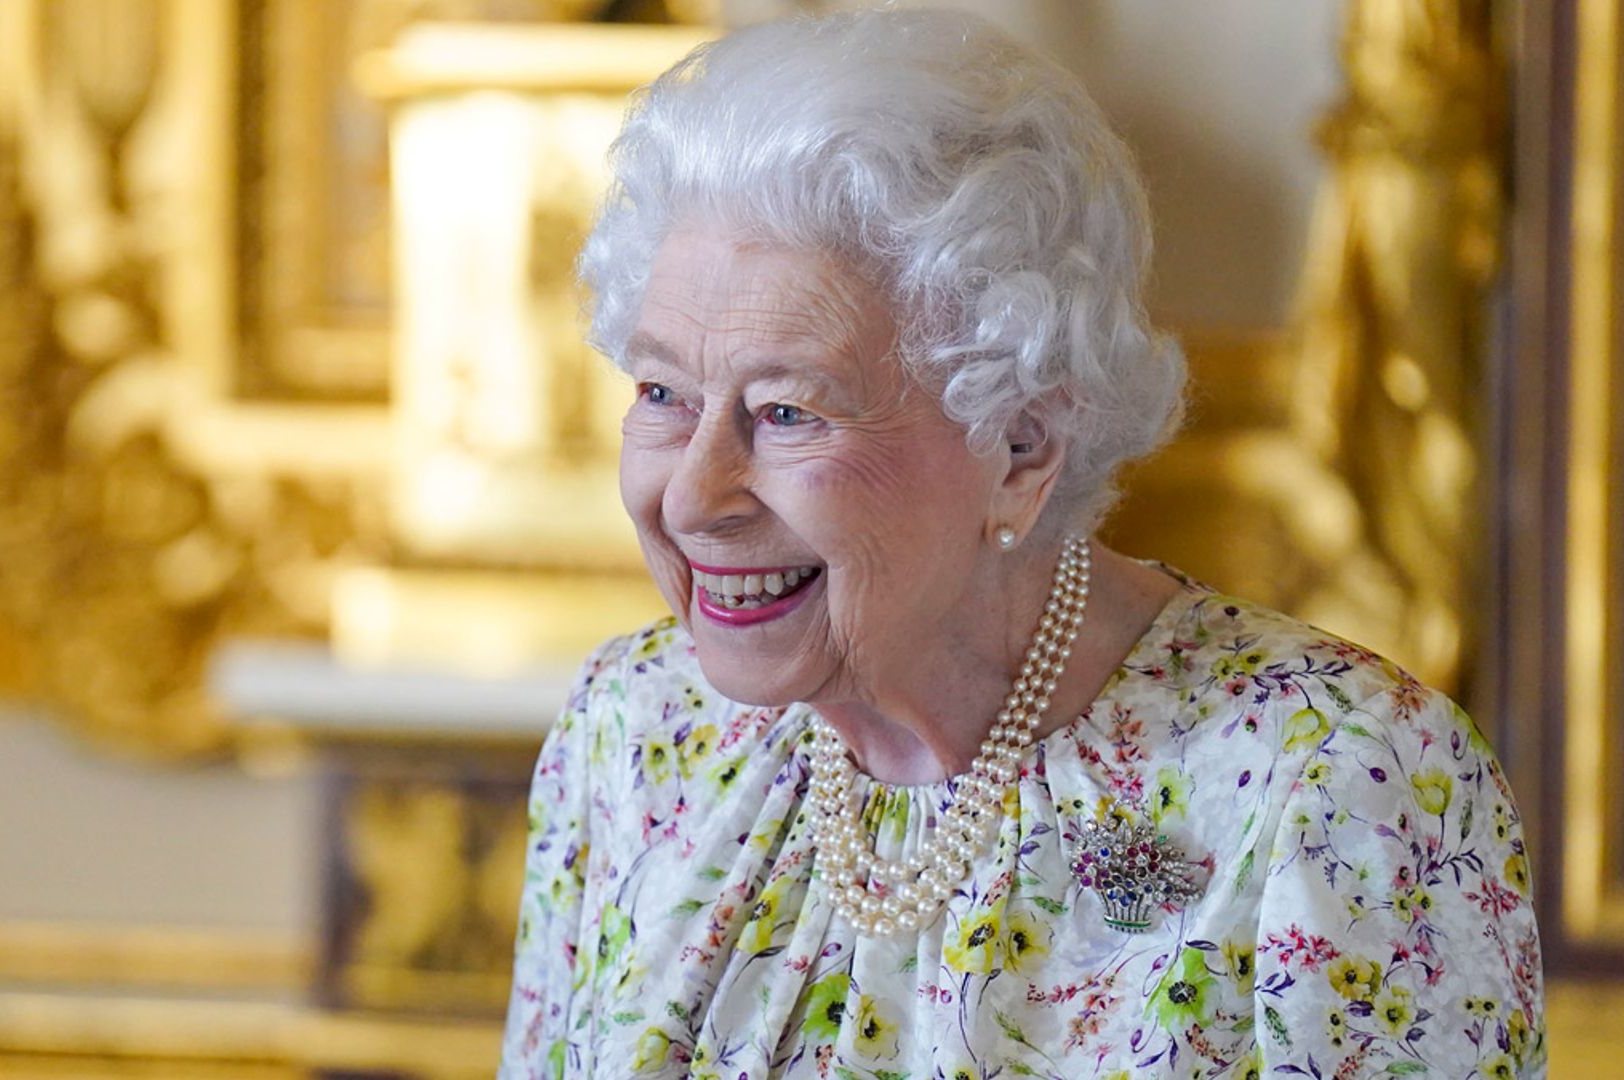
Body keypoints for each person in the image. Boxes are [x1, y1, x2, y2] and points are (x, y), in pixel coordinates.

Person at [499, 8, 1544, 1078]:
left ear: (1021, 448)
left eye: (788, 412)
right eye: (665, 393)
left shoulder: (1340, 786)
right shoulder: (632, 737)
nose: (692, 494)